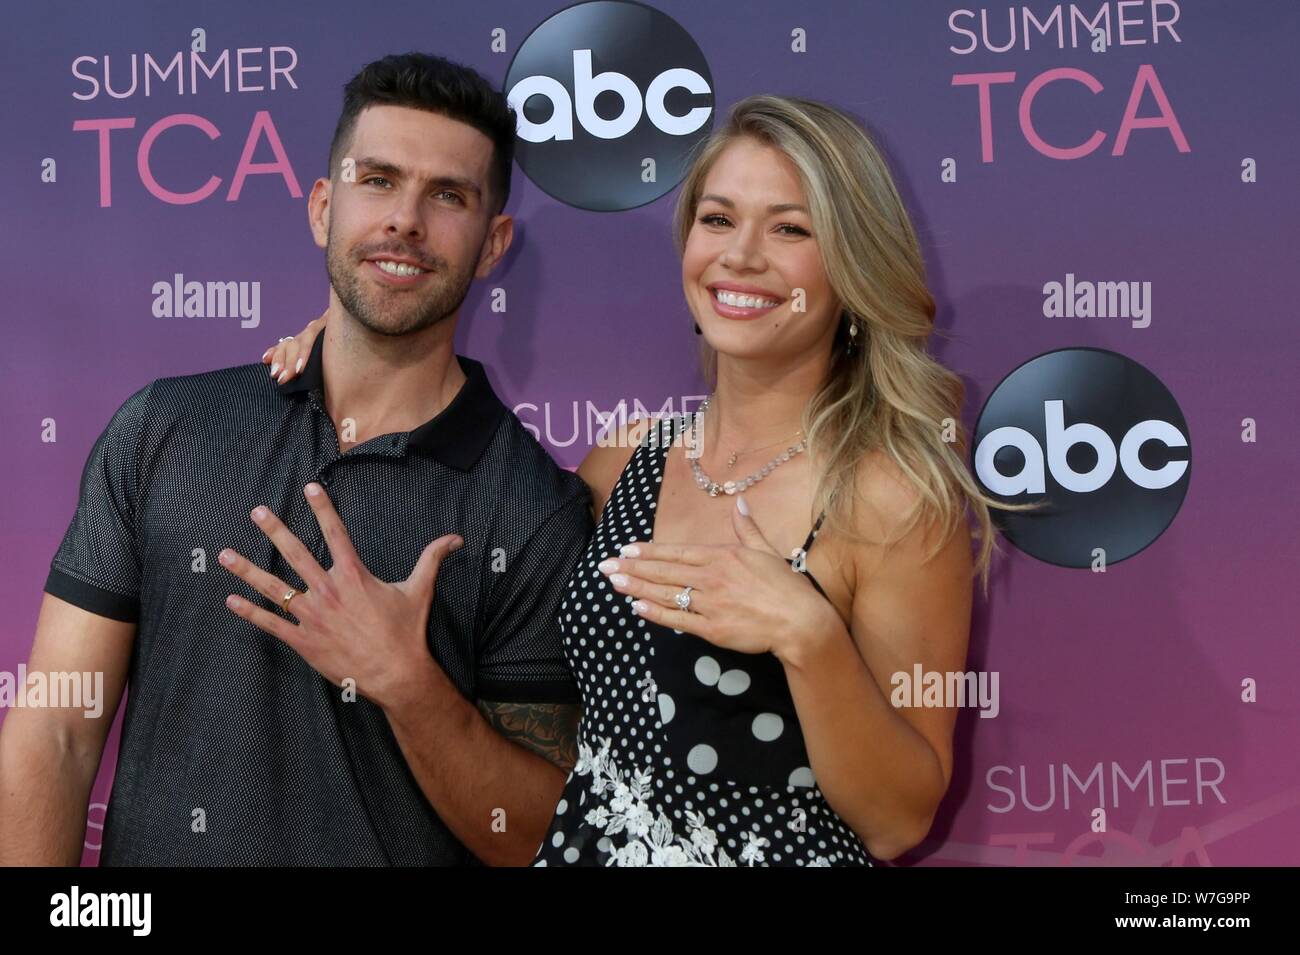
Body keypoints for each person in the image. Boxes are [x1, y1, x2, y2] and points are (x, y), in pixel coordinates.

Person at [265, 94, 1023, 866]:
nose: (741, 255)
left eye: (791, 228)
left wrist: (809, 635)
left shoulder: (890, 499)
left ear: (851, 263)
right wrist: (348, 349)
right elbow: (483, 515)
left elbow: (898, 822)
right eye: (718, 219)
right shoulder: (626, 459)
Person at [0, 53, 590, 866]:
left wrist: (409, 686)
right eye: (377, 180)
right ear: (322, 208)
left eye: (447, 195)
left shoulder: (534, 509)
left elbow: (532, 839)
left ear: (493, 245)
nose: (405, 221)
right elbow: (60, 728)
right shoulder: (168, 427)